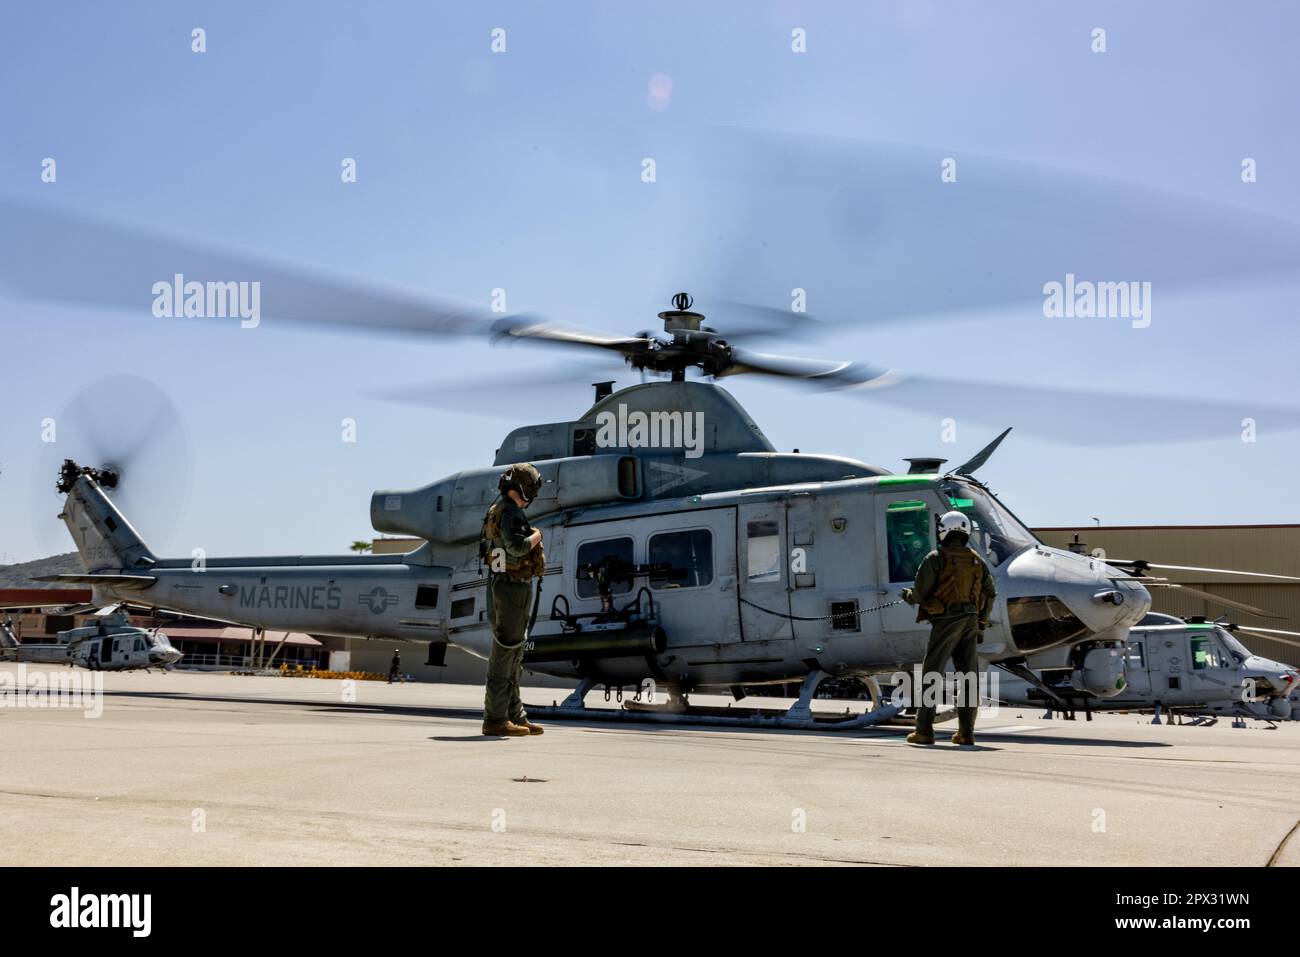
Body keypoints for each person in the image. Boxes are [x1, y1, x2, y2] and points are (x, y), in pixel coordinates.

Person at [901, 510, 996, 747]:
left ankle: (924, 731)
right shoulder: (977, 561)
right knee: (969, 677)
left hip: (946, 620)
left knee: (932, 673)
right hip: (971, 621)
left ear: (943, 531)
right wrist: (981, 623)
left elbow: (921, 593)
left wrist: (909, 596)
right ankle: (966, 733)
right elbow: (990, 593)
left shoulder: (935, 557)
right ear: (965, 532)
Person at [479, 463, 547, 737]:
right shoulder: (510, 512)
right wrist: (537, 536)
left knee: (514, 653)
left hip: (501, 585)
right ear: (521, 487)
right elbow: (516, 547)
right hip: (512, 588)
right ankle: (495, 718)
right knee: (506, 653)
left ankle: (515, 715)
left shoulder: (496, 509)